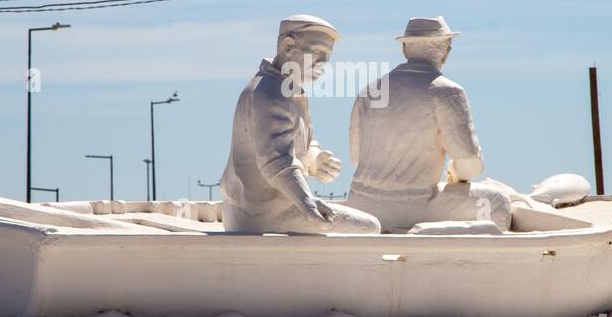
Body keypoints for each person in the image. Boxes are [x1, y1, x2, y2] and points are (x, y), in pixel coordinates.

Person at [345, 16, 521, 231]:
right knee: (496, 201)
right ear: (446, 49)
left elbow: (356, 159)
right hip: (412, 207)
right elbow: (470, 165)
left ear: (405, 50)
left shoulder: (370, 91)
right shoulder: (446, 91)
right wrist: (457, 172)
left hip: (360, 205)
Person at [221, 15, 380, 235]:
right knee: (369, 227)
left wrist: (315, 160)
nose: (324, 63)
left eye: (328, 56)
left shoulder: (288, 90)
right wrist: (307, 204)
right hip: (260, 214)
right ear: (288, 46)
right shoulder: (269, 94)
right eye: (316, 53)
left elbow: (302, 142)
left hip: (264, 209)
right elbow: (277, 162)